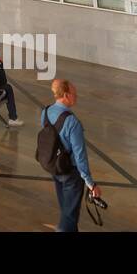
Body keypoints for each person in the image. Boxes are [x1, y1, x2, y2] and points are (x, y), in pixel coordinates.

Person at [42, 79, 99, 232]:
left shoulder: (45, 112)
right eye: (74, 94)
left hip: (55, 168)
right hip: (71, 173)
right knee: (69, 215)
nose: (77, 97)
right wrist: (91, 183)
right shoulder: (72, 122)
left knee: (66, 209)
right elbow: (80, 156)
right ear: (66, 95)